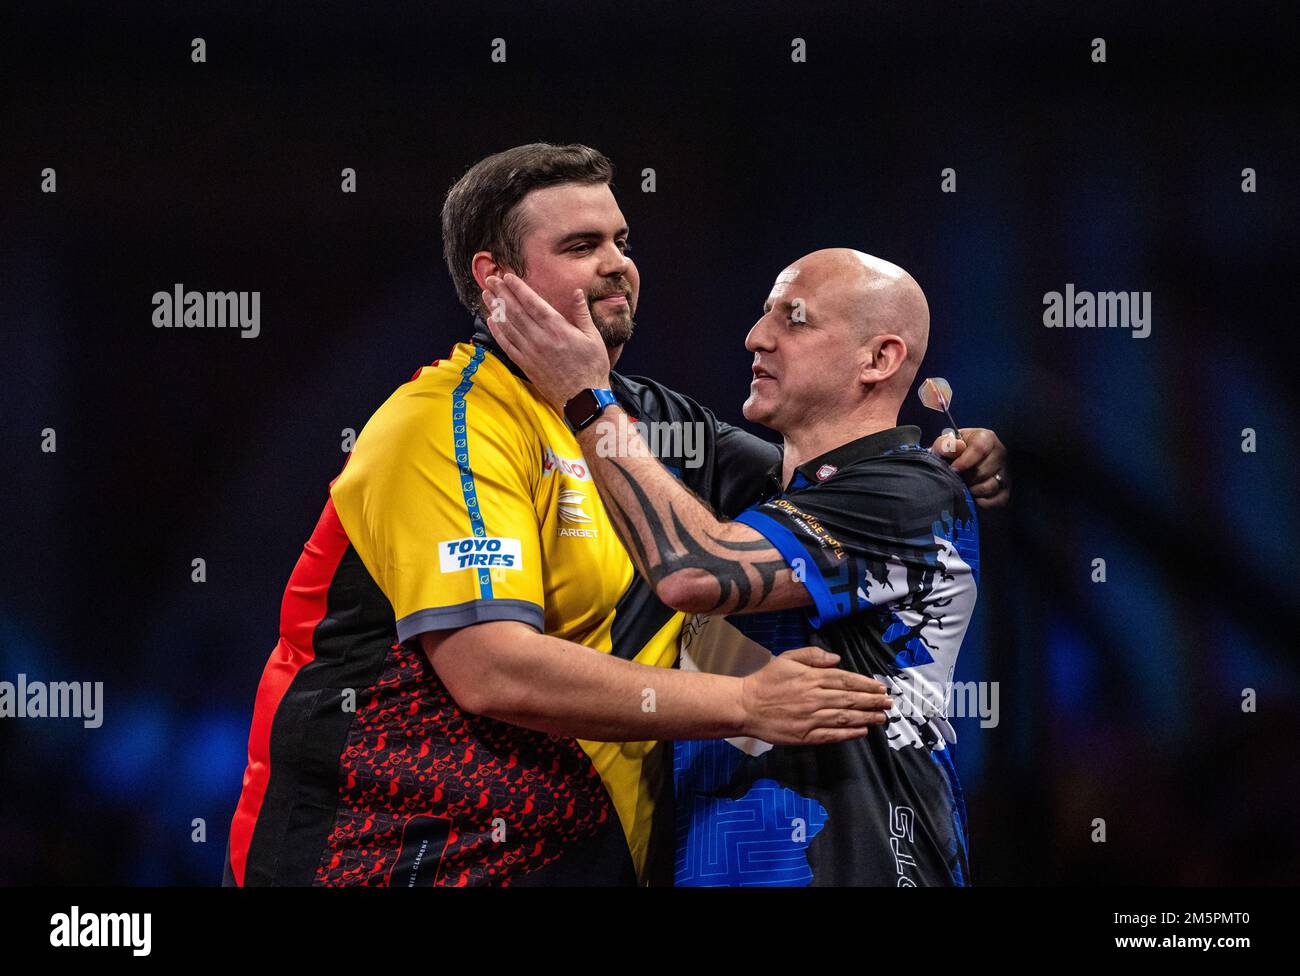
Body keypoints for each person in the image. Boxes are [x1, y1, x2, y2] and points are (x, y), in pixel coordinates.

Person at [223, 143, 1005, 887]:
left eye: (621, 240)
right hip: (393, 857)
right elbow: (491, 669)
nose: (617, 264)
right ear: (496, 281)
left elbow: (830, 488)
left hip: (575, 860)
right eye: (580, 245)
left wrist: (944, 465)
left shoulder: (646, 428)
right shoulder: (446, 423)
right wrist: (745, 704)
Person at [483, 246, 987, 885]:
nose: (756, 338)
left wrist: (585, 397)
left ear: (880, 359)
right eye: (763, 314)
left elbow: (694, 571)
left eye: (794, 319)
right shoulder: (766, 487)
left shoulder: (913, 492)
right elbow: (632, 418)